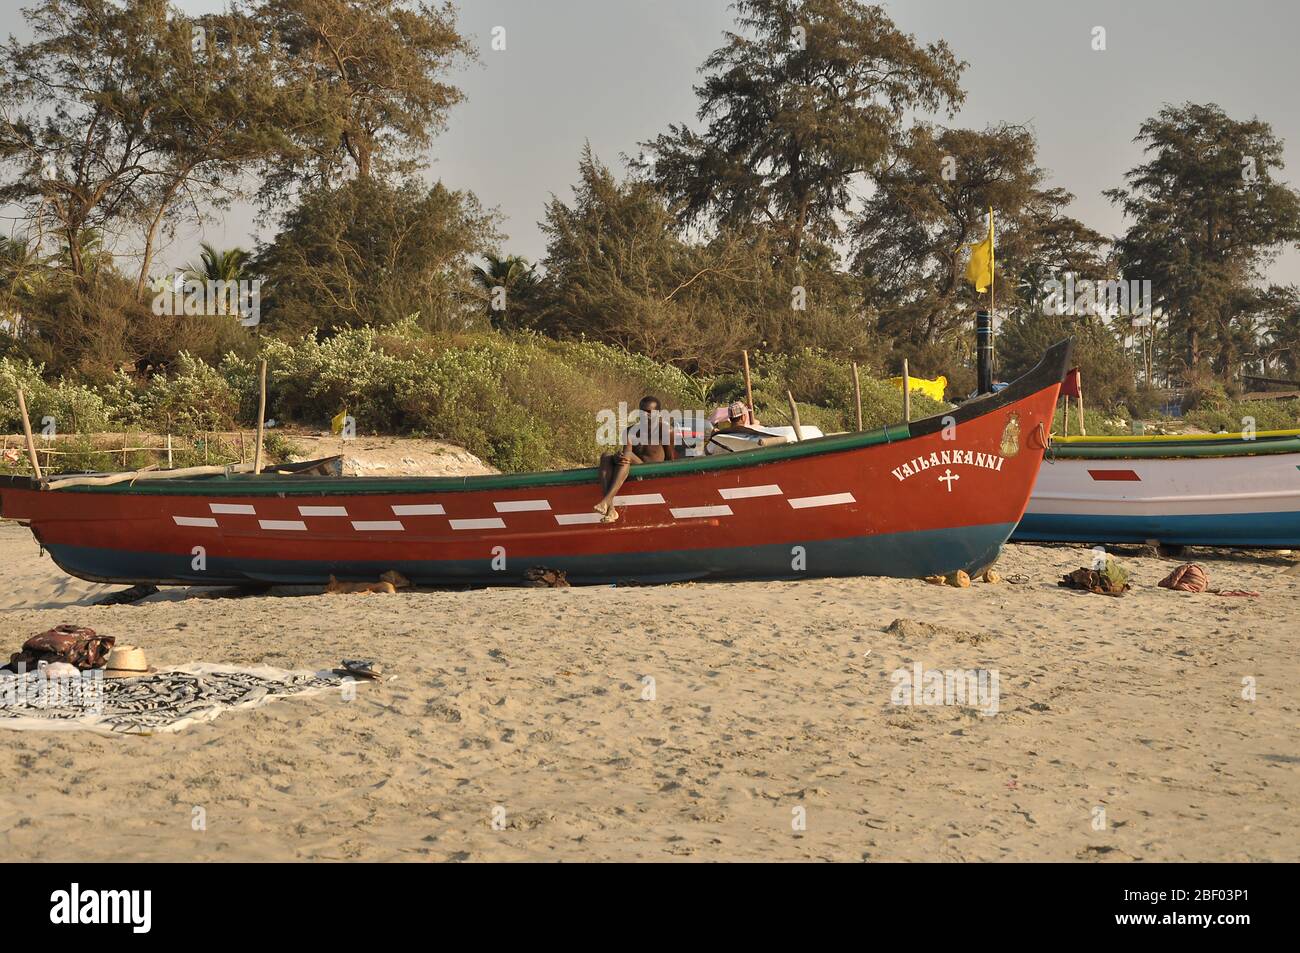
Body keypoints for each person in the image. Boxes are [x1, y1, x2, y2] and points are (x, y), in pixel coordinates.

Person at [595, 396, 676, 522]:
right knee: (606, 456)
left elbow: (671, 458)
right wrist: (617, 457)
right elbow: (625, 457)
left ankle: (606, 500)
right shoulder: (630, 431)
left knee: (627, 454)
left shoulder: (666, 430)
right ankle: (610, 508)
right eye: (642, 411)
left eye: (649, 412)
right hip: (633, 469)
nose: (645, 415)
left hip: (652, 472)